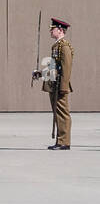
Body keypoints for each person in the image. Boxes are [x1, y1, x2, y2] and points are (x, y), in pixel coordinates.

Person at [38, 17, 74, 150]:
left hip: (60, 85)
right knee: (57, 112)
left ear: (60, 30)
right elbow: (53, 67)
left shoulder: (64, 47)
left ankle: (64, 141)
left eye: (52, 29)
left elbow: (66, 68)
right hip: (54, 84)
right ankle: (60, 141)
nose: (50, 31)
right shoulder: (56, 46)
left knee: (62, 113)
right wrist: (40, 73)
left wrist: (64, 87)